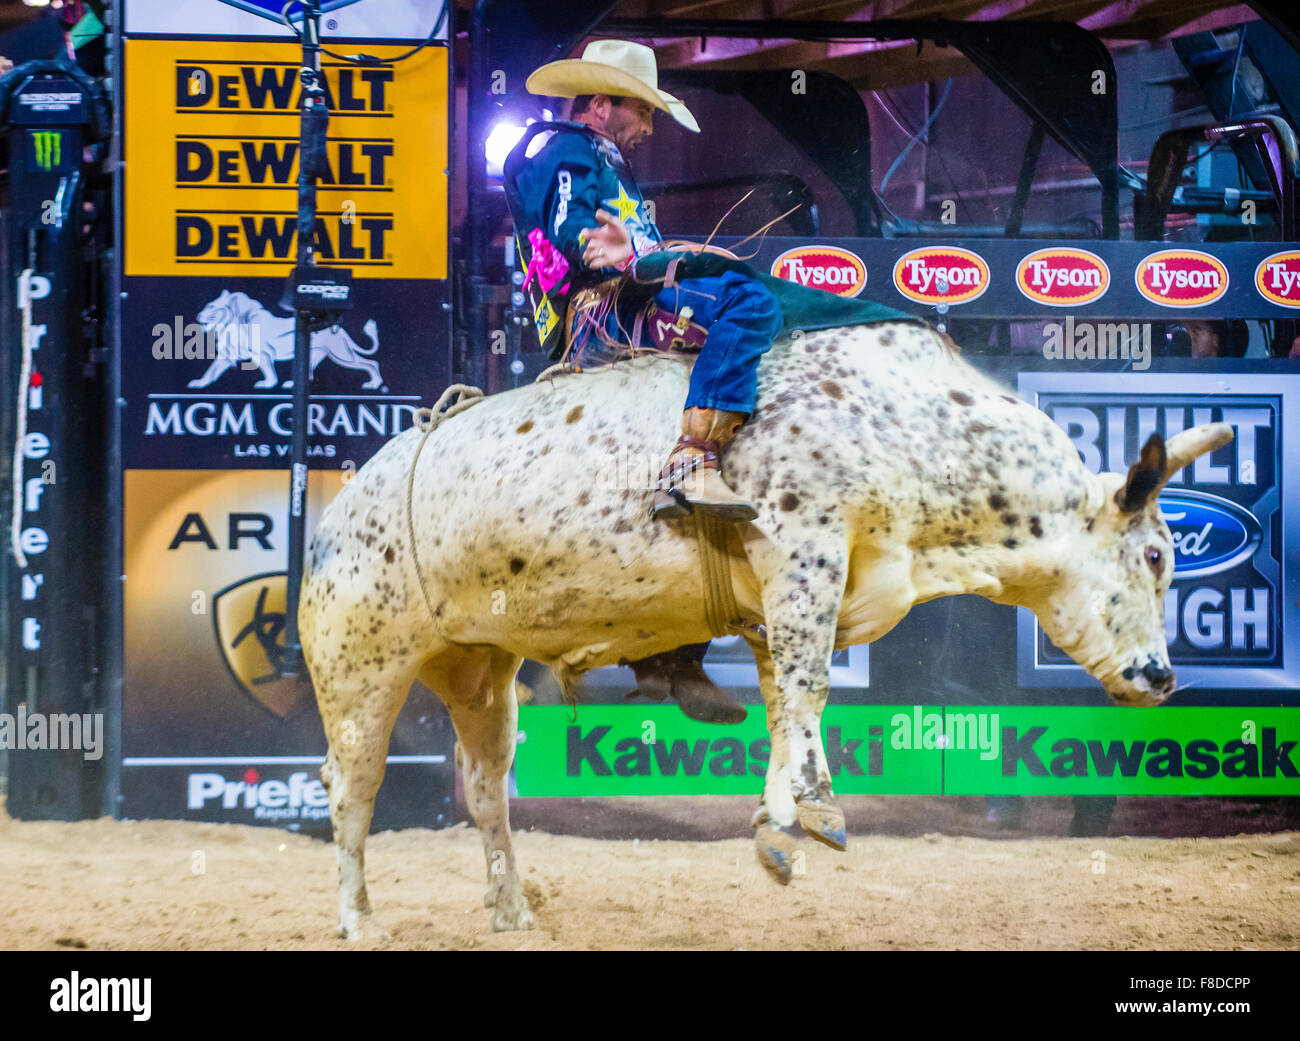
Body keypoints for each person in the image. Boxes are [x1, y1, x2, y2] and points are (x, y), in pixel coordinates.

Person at [502, 40, 792, 723]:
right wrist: (617, 252)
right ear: (600, 105)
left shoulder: (600, 165)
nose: (650, 126)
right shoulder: (564, 151)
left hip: (619, 302)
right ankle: (693, 456)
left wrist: (641, 251)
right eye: (641, 109)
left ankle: (674, 656)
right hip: (608, 313)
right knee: (753, 305)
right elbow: (576, 234)